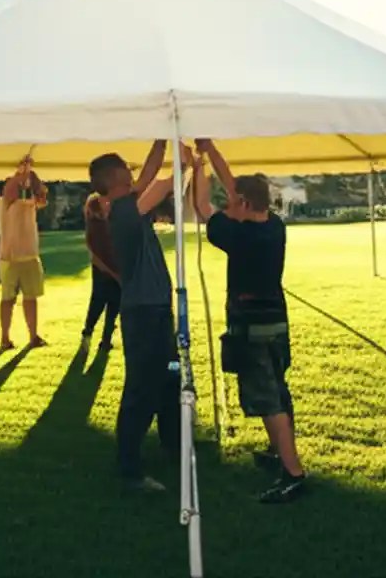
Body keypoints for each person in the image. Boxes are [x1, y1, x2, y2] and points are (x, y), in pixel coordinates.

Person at [192, 138, 307, 504]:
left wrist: (196, 167)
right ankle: (279, 454)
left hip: (252, 331)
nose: (227, 204)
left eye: (232, 201)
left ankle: (293, 473)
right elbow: (232, 186)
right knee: (279, 390)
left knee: (267, 400)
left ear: (243, 204)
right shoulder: (274, 225)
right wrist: (210, 151)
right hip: (277, 324)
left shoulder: (236, 235)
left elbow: (200, 204)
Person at [88, 140, 184, 494]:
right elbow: (155, 180)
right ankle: (129, 468)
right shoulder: (123, 211)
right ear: (115, 181)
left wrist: (171, 151)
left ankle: (175, 444)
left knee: (172, 376)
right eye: (126, 173)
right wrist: (173, 153)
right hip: (143, 315)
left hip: (157, 310)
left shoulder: (131, 208)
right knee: (142, 387)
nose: (132, 176)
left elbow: (153, 176)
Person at [0, 156, 48, 351]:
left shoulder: (31, 200)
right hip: (10, 255)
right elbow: (11, 189)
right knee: (8, 298)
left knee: (31, 297)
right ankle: (4, 338)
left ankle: (33, 336)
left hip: (30, 254)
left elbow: (42, 198)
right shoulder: (8, 196)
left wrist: (31, 176)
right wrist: (20, 174)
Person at [82, 194, 121, 351]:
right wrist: (112, 272)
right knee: (99, 304)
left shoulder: (109, 223)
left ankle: (105, 339)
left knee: (113, 305)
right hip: (103, 274)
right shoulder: (95, 226)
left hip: (114, 270)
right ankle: (89, 333)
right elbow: (94, 255)